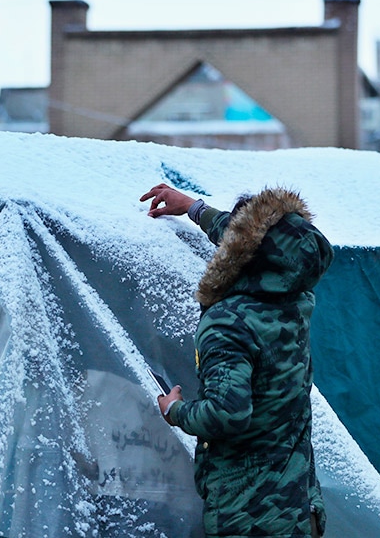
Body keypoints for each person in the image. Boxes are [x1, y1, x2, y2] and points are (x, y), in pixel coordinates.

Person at [139, 183, 334, 538]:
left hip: (249, 517)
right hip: (300, 509)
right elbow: (264, 242)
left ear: (241, 249)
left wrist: (175, 410)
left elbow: (227, 414)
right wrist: (194, 208)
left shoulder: (228, 322)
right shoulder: (295, 300)